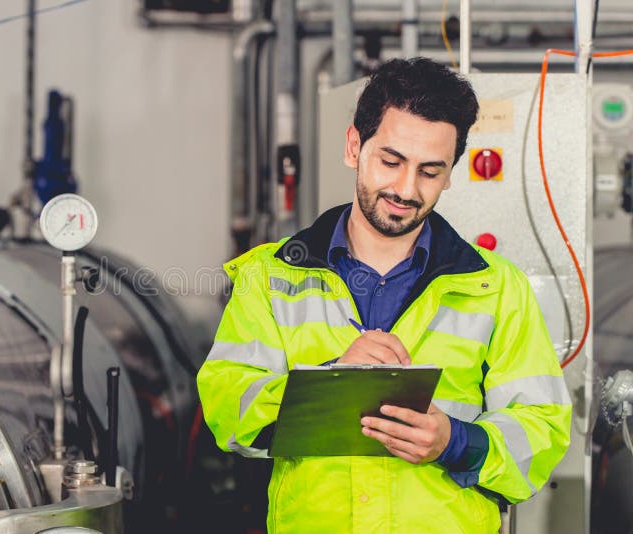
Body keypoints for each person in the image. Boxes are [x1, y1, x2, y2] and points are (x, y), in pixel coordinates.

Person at [197, 57, 571, 533]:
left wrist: (454, 442)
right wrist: (328, 381)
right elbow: (227, 405)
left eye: (430, 171)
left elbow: (542, 429)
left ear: (451, 174)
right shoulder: (270, 276)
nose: (406, 189)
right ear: (354, 146)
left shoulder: (498, 288)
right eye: (391, 162)